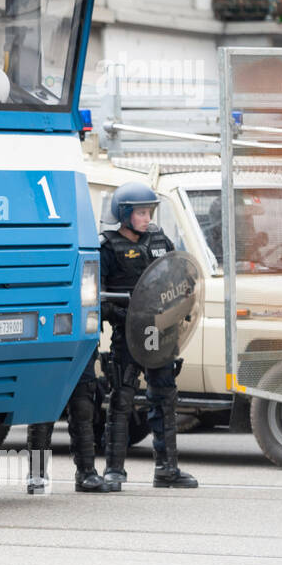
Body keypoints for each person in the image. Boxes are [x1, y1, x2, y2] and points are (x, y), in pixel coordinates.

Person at [100, 182, 198, 491]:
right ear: (124, 214)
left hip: (159, 332)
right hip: (128, 335)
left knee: (164, 396)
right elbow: (97, 297)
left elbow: (179, 276)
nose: (147, 217)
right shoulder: (107, 246)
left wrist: (184, 296)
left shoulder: (159, 239)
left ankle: (167, 469)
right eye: (140, 212)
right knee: (122, 398)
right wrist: (122, 317)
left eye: (149, 211)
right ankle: (114, 469)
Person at [25, 350, 107, 495]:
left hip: (81, 342)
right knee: (43, 404)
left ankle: (86, 472)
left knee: (83, 406)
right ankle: (37, 474)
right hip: (47, 340)